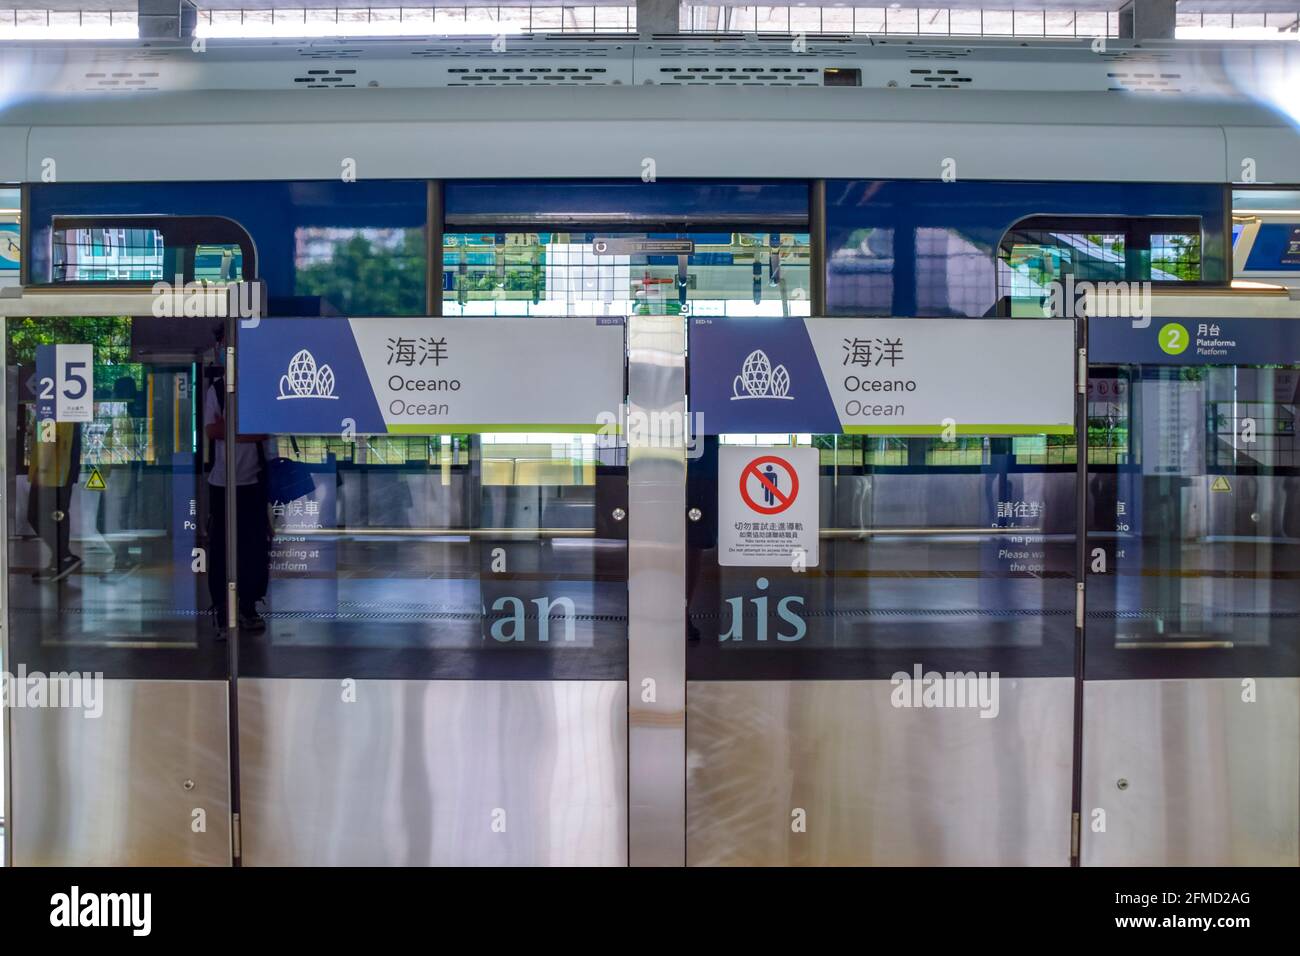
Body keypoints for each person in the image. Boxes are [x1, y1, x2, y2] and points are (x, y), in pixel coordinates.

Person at [205, 327, 271, 632]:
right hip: (222, 483)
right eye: (224, 343)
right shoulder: (217, 389)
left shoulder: (260, 388)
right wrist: (244, 428)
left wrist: (230, 428)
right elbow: (212, 431)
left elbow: (263, 430)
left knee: (254, 548)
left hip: (253, 482)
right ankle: (221, 609)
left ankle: (248, 605)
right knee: (220, 549)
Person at [28, 419, 83, 582]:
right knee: (57, 516)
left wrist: (42, 469)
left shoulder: (50, 408)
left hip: (51, 474)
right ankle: (58, 562)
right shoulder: (67, 413)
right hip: (63, 471)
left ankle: (64, 556)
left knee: (36, 515)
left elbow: (50, 439)